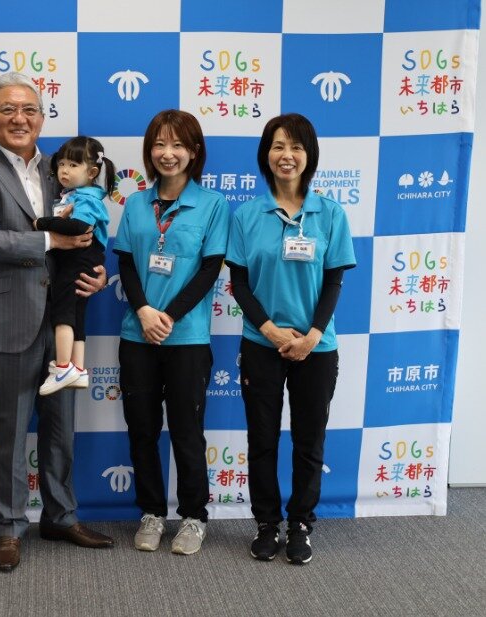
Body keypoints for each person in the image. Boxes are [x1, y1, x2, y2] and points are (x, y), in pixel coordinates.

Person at [0, 72, 113, 573]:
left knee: (62, 426)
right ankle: (8, 526)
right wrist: (50, 240)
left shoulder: (61, 167)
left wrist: (99, 271)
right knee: (10, 428)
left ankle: (61, 517)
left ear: (42, 118)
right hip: (9, 313)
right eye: (8, 110)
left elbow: (89, 227)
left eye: (29, 110)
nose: (19, 119)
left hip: (64, 311)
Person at [225, 113, 355, 565]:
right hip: (261, 343)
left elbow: (334, 281)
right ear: (266, 154)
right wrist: (269, 329)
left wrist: (312, 335)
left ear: (309, 155)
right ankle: (266, 523)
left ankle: (300, 524)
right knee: (262, 438)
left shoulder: (331, 213)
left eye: (296, 147)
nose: (287, 155)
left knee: (308, 440)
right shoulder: (246, 214)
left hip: (316, 347)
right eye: (278, 146)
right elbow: (239, 283)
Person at [114, 110, 230, 555]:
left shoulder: (213, 204)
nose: (168, 153)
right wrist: (144, 312)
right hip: (137, 335)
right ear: (150, 151)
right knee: (142, 429)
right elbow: (127, 263)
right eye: (160, 144)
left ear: (194, 152)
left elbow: (209, 269)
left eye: (178, 145)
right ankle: (151, 512)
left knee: (186, 430)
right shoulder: (136, 203)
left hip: (187, 338)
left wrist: (169, 316)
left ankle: (194, 517)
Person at [33, 136, 114, 395]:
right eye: (61, 164)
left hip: (80, 259)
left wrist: (42, 223)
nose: (64, 171)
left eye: (73, 165)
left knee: (64, 314)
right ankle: (78, 369)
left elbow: (79, 227)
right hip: (82, 259)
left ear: (92, 173)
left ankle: (63, 367)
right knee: (77, 315)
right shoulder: (75, 195)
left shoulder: (85, 198)